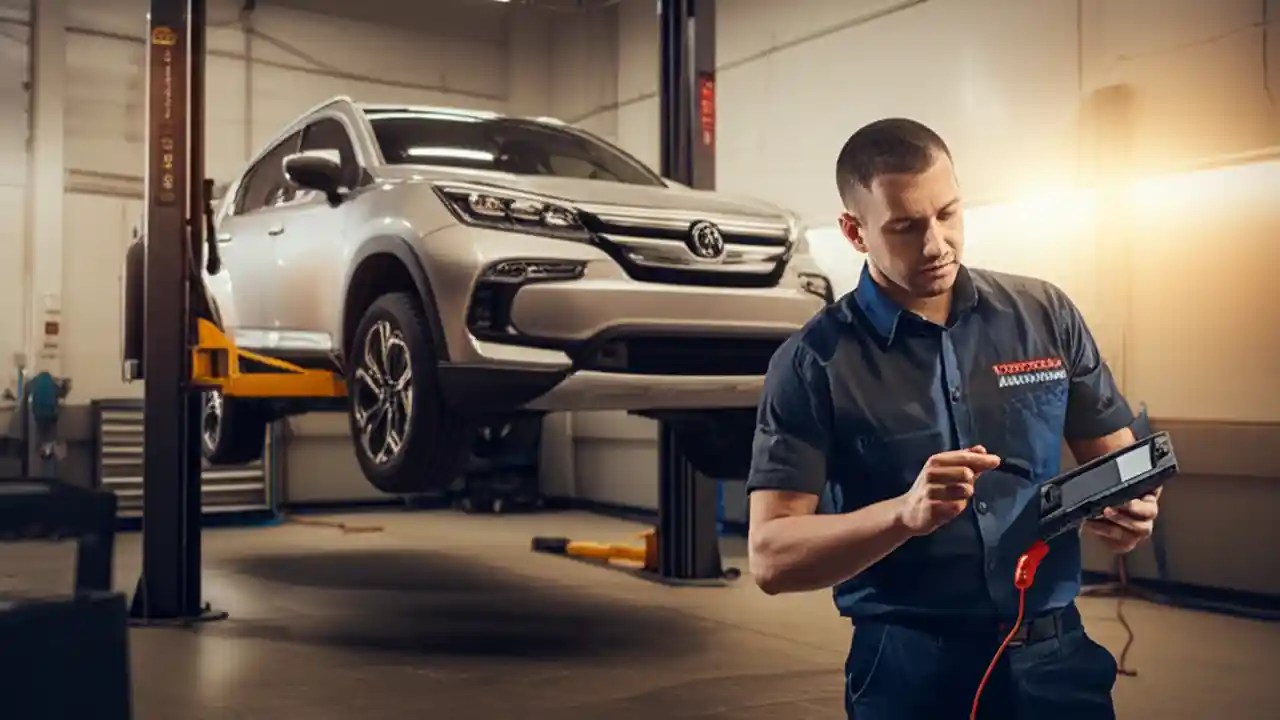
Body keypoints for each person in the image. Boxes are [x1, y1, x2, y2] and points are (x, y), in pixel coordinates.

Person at [745, 118, 1161, 720]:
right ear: (854, 232)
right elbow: (771, 556)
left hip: (1055, 661)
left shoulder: (1044, 315)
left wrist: (1131, 510)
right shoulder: (814, 363)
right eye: (906, 227)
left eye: (947, 213)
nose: (936, 244)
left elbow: (1121, 468)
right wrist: (903, 515)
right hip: (910, 673)